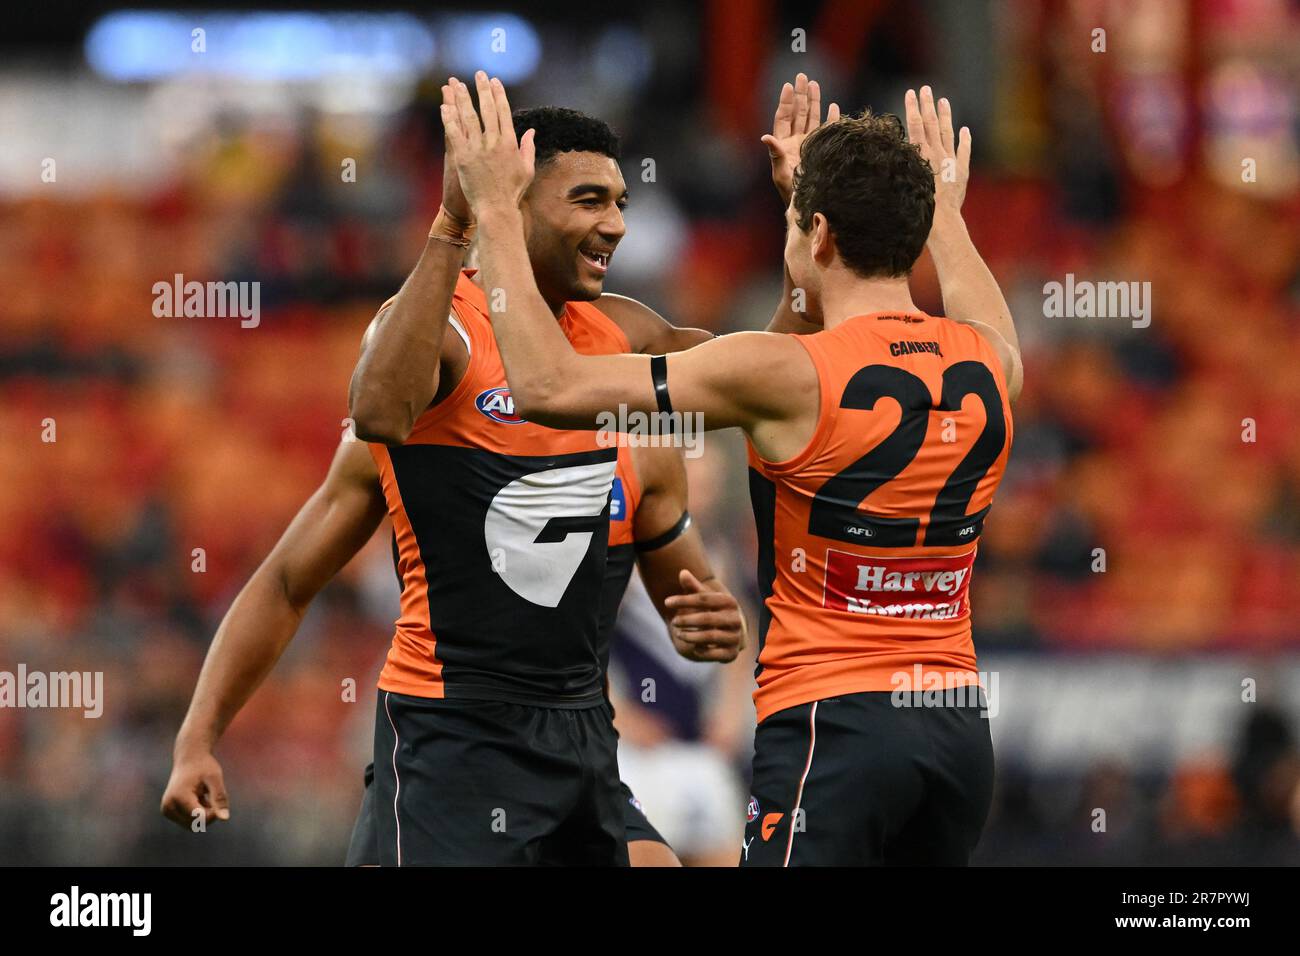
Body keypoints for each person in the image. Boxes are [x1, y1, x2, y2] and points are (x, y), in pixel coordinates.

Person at [441, 75, 1022, 866]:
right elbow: (948, 296)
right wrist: (943, 210)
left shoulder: (783, 372)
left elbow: (547, 388)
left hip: (833, 727)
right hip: (956, 732)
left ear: (819, 235)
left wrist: (496, 213)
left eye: (798, 223)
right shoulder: (990, 360)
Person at [342, 75, 752, 865]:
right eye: (589, 200)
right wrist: (455, 223)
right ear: (516, 204)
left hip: (580, 733)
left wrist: (805, 232)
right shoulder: (445, 327)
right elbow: (379, 413)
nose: (617, 224)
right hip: (455, 733)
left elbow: (768, 377)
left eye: (621, 203)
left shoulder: (625, 333)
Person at [160, 432, 745, 868]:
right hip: (443, 753)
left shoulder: (633, 434)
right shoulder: (408, 414)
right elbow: (287, 583)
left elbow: (696, 607)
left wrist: (714, 627)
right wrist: (197, 738)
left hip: (577, 754)